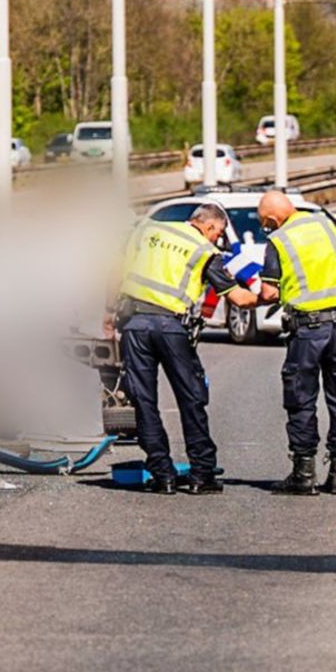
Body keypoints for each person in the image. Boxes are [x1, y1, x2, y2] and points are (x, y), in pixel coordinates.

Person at [113, 203, 258, 495]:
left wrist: (109, 316)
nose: (217, 240)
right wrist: (270, 297)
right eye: (217, 234)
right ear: (210, 226)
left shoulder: (149, 231)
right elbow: (240, 299)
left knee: (144, 401)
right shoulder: (204, 250)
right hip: (170, 328)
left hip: (134, 325)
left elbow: (114, 272)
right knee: (191, 399)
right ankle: (201, 475)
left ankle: (162, 475)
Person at [257, 190, 336, 496]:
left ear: (271, 219)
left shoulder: (279, 240)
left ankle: (304, 473)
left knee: (301, 398)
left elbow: (268, 293)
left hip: (308, 330)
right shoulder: (329, 225)